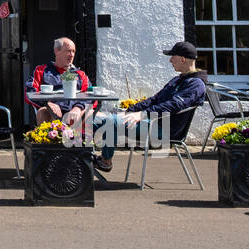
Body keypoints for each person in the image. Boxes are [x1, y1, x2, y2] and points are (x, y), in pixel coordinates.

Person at [91, 41, 208, 173]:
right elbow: (155, 99)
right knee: (94, 120)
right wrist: (130, 110)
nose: (170, 60)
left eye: (172, 56)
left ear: (183, 59)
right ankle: (79, 157)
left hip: (164, 130)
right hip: (151, 122)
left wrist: (143, 114)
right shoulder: (177, 80)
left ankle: (105, 161)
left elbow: (174, 106)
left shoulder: (196, 85)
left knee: (111, 122)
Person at [31, 37, 92, 132]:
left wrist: (78, 108)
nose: (71, 55)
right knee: (43, 111)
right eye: (68, 51)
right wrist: (47, 103)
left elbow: (90, 95)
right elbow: (31, 91)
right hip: (52, 111)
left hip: (76, 112)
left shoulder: (80, 74)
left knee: (96, 114)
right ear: (57, 51)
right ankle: (48, 144)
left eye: (73, 51)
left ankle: (83, 144)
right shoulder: (41, 70)